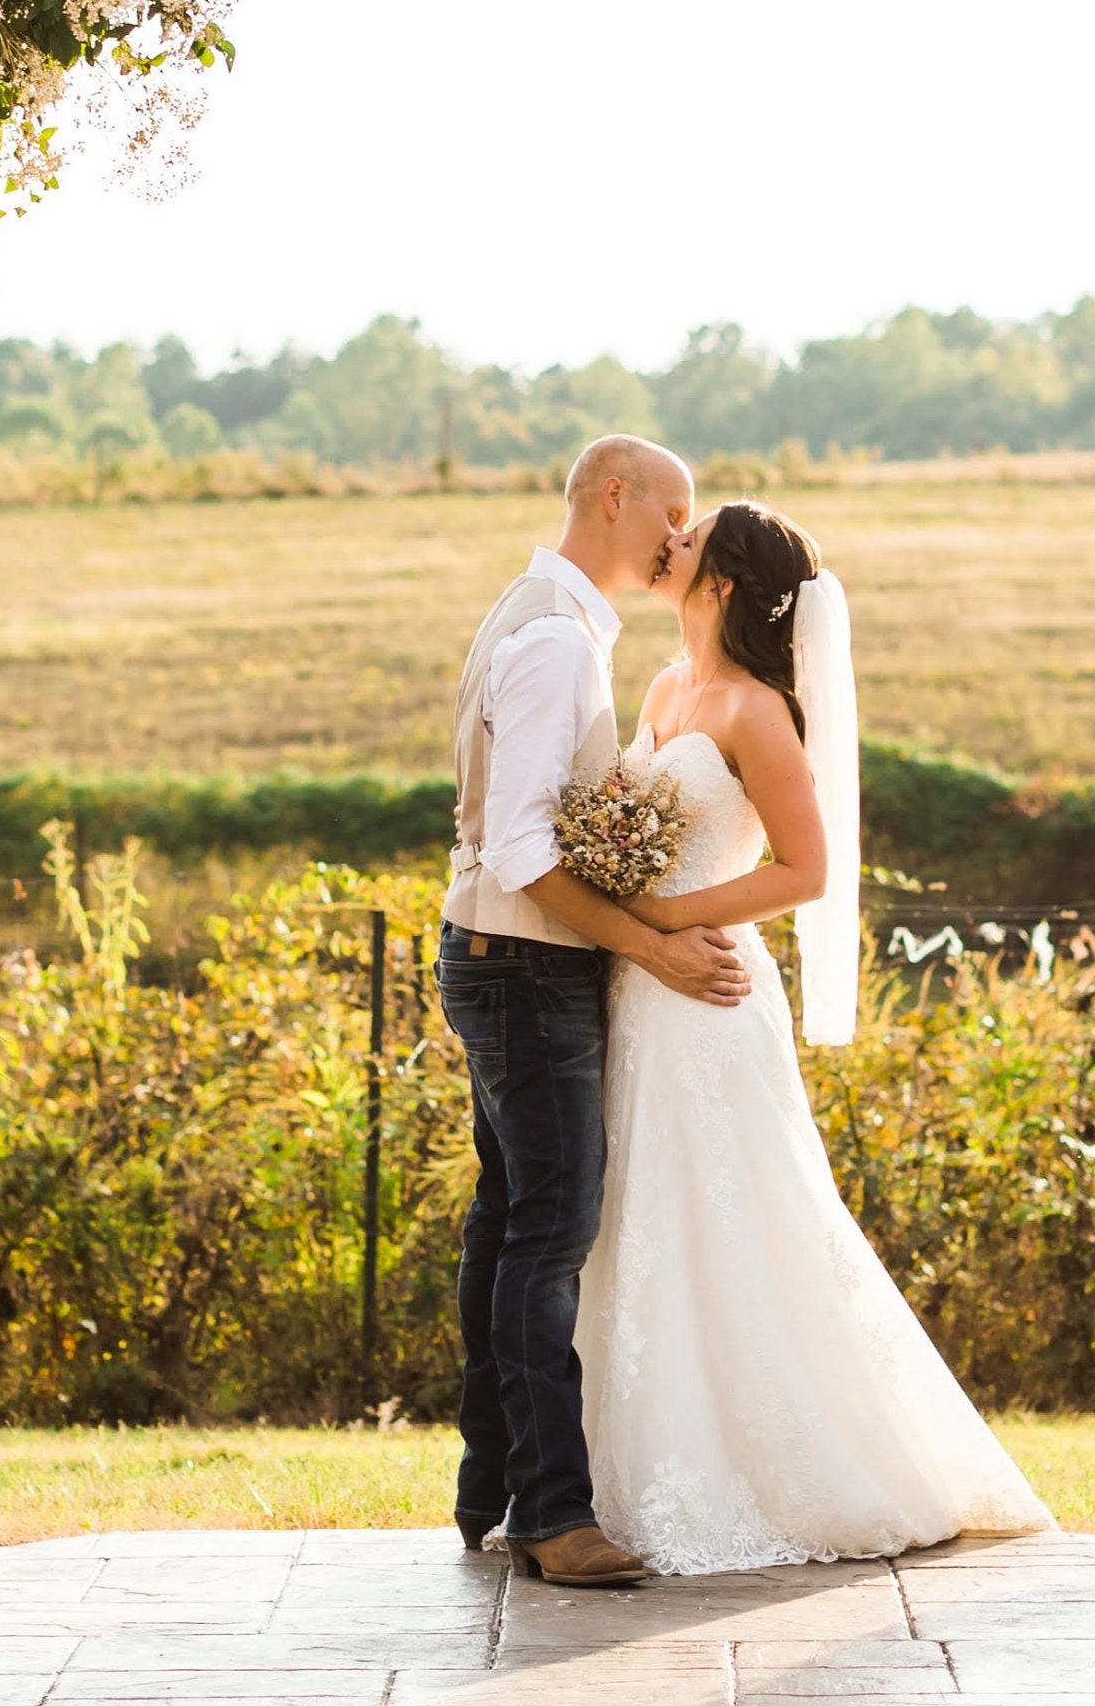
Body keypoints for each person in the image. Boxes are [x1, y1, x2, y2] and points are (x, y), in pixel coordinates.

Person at [575, 500, 1053, 1572]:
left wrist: (661, 918)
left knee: (743, 1218)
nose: (672, 539)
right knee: (642, 1214)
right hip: (641, 989)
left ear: (725, 583)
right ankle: (626, 1470)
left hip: (711, 994)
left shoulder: (754, 711)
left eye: (690, 537)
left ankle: (816, 1466)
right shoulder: (662, 689)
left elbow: (806, 871)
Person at [435, 435, 752, 1589]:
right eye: (670, 509)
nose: (681, 534)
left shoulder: (536, 616)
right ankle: (554, 1516)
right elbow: (520, 847)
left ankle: (494, 1487)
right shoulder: (558, 643)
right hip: (521, 965)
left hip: (497, 956)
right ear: (611, 498)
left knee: (508, 1222)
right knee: (548, 1234)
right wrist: (653, 945)